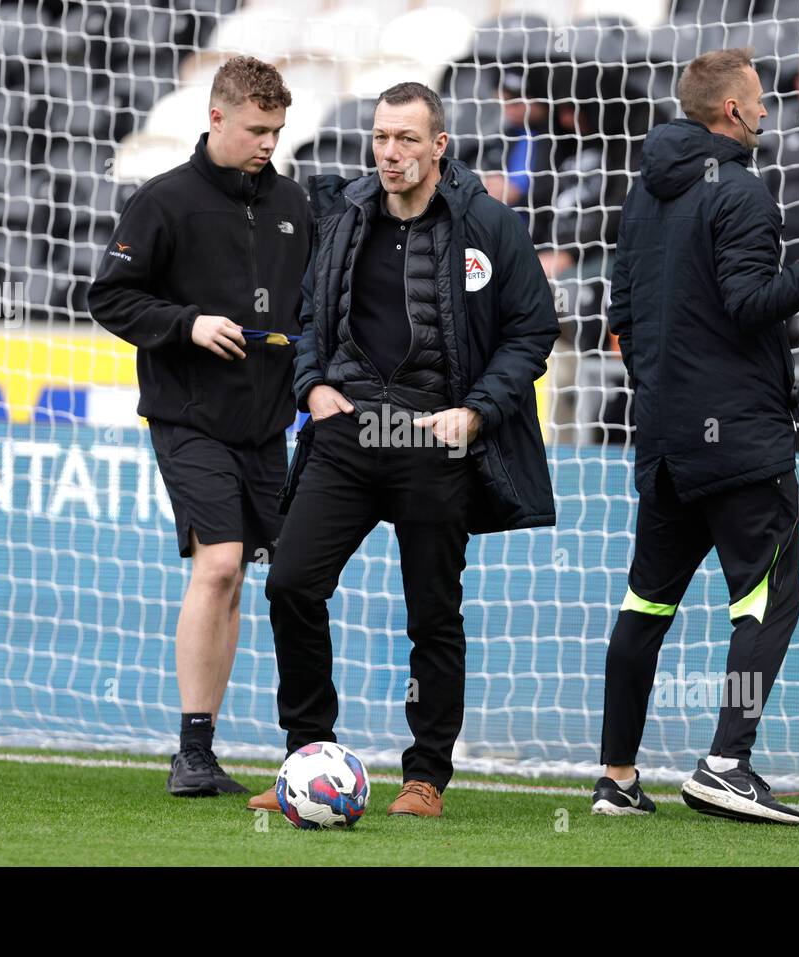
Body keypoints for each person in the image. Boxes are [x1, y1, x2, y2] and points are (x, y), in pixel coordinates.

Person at [593, 48, 799, 825]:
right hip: (737, 441)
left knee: (645, 603)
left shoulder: (642, 195)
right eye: (758, 100)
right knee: (768, 594)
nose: (766, 110)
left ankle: (616, 779)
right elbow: (752, 303)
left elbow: (618, 317)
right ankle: (727, 763)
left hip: (661, 438)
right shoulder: (745, 193)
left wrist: (667, 394)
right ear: (729, 111)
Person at [245, 81, 558, 818]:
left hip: (434, 440)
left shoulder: (487, 223)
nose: (391, 153)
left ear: (438, 145)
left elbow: (531, 330)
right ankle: (307, 755)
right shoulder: (342, 213)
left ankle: (425, 777)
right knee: (290, 583)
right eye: (382, 138)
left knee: (432, 616)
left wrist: (477, 412)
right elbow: (307, 314)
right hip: (346, 435)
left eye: (407, 140)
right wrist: (312, 386)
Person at [87, 56, 312, 797]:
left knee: (239, 577)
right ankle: (188, 748)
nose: (267, 144)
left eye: (276, 131)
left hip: (265, 424)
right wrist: (187, 324)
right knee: (217, 562)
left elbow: (306, 307)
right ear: (215, 117)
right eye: (255, 129)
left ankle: (204, 748)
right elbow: (111, 299)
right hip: (187, 417)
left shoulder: (293, 203)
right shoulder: (164, 201)